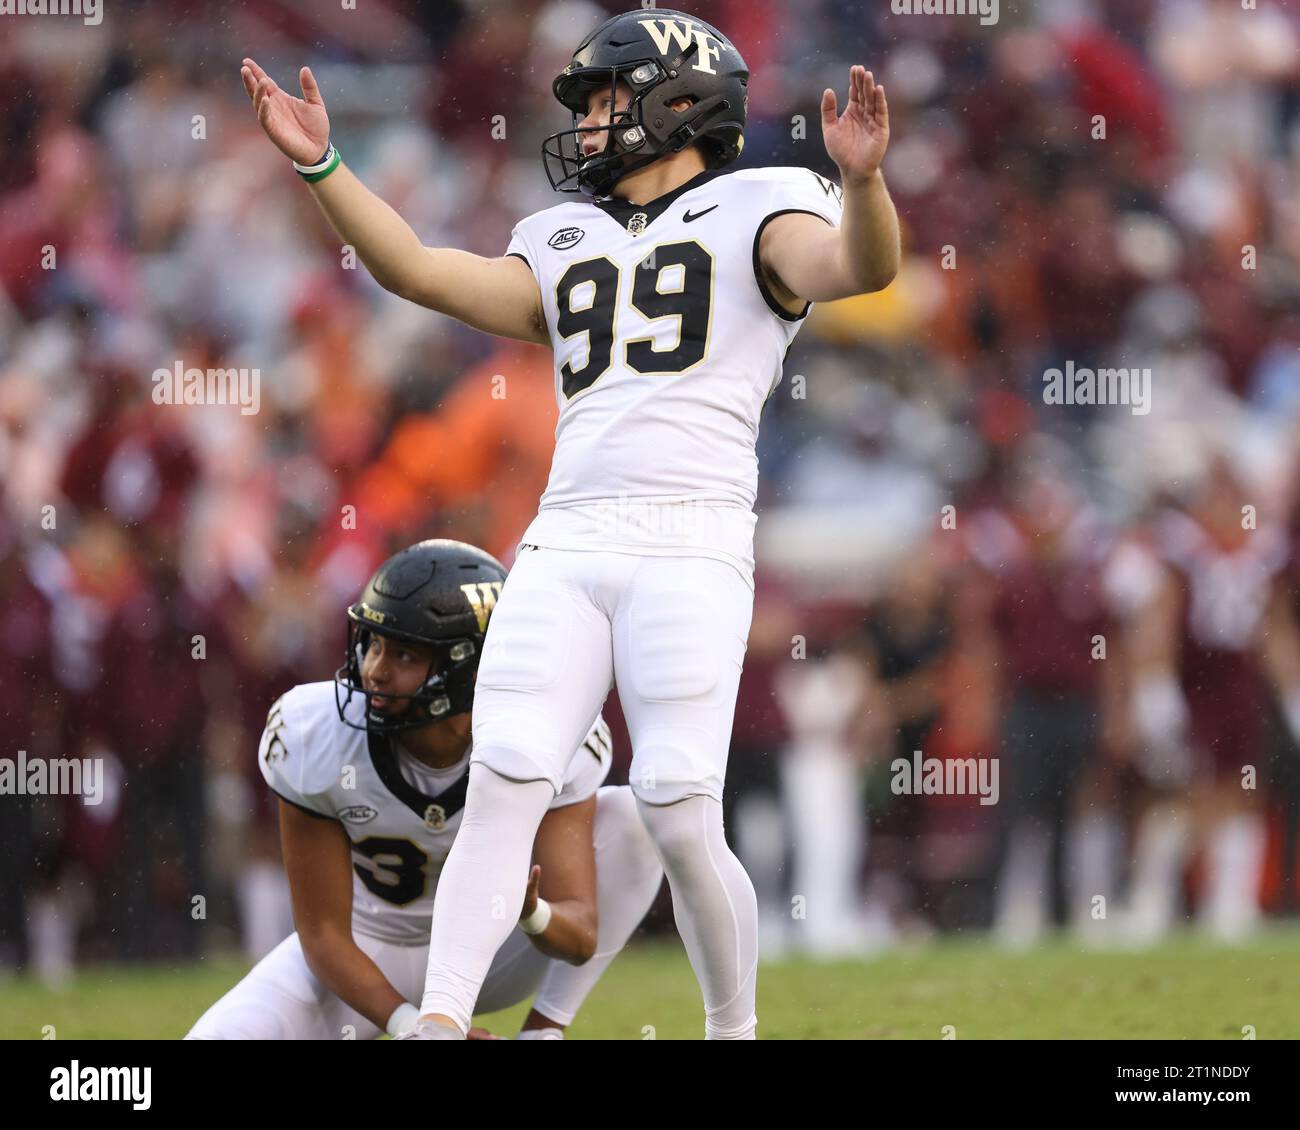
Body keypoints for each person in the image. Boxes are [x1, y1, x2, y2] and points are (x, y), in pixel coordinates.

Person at [240, 6, 899, 1040]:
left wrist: (862, 183)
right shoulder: (564, 237)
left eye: (604, 99)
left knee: (680, 806)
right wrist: (325, 168)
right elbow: (417, 270)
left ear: (678, 104)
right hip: (565, 536)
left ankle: (735, 1031)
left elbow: (860, 269)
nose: (587, 121)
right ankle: (446, 1022)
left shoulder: (767, 205)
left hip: (692, 535)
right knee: (506, 780)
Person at [186, 539, 664, 1040]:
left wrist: (529, 910)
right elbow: (323, 936)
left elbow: (580, 934)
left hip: (494, 950)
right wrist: (418, 1028)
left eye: (404, 653)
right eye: (372, 643)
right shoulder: (314, 734)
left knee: (635, 816)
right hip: (368, 950)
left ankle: (543, 1031)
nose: (374, 669)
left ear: (472, 669)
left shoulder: (548, 733)